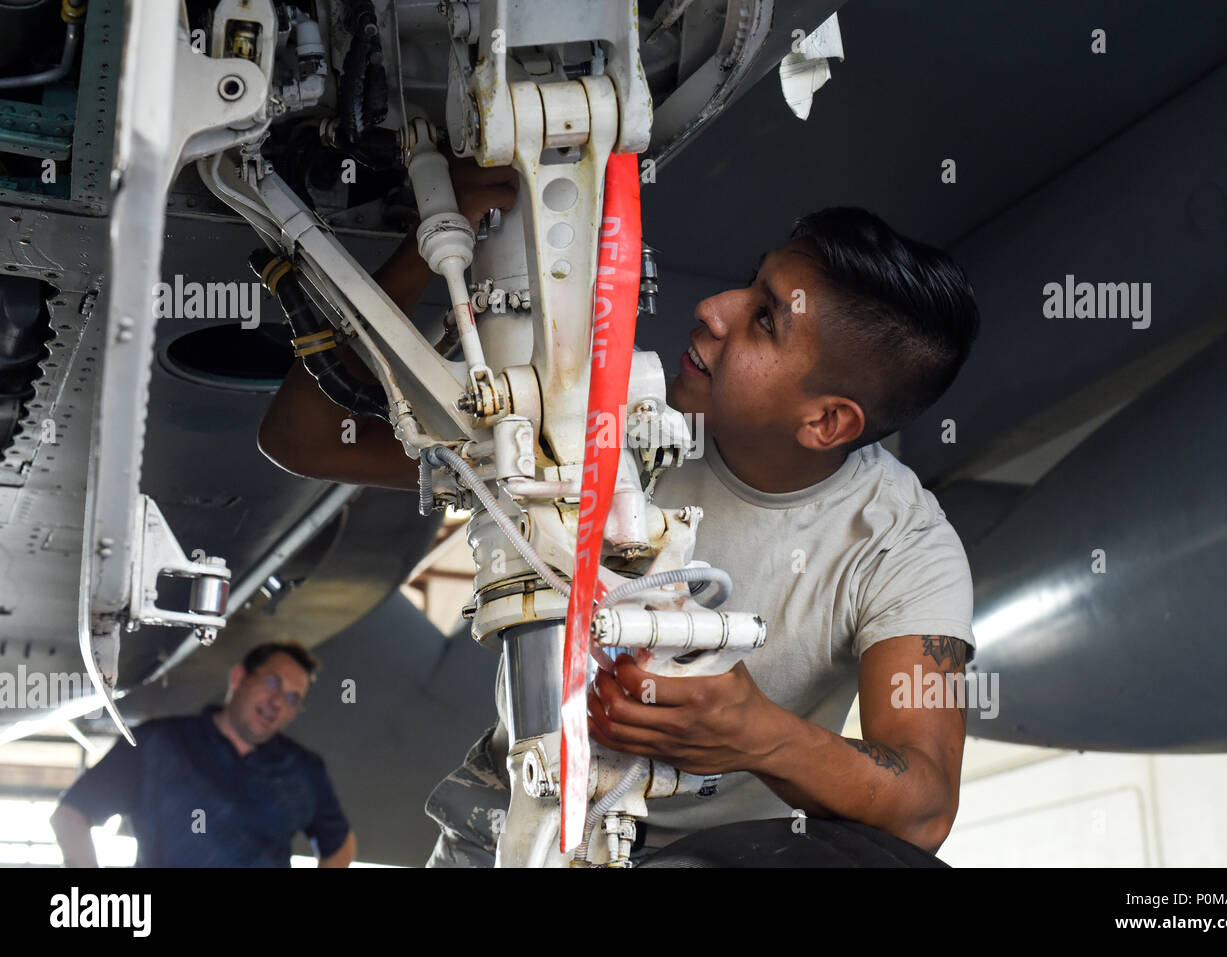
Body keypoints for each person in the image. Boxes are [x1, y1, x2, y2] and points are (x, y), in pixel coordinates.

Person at [257, 167, 980, 866]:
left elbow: (923, 807)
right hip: (520, 828)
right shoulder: (606, 429)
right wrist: (429, 245)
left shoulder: (906, 547)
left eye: (764, 320)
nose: (715, 308)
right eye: (752, 281)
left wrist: (758, 737)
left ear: (827, 421)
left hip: (708, 856)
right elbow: (305, 436)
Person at [50, 642, 356, 868]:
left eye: (292, 698)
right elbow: (70, 814)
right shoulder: (158, 742)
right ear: (238, 678)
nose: (277, 702)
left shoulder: (303, 769)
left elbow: (340, 845)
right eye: (272, 683)